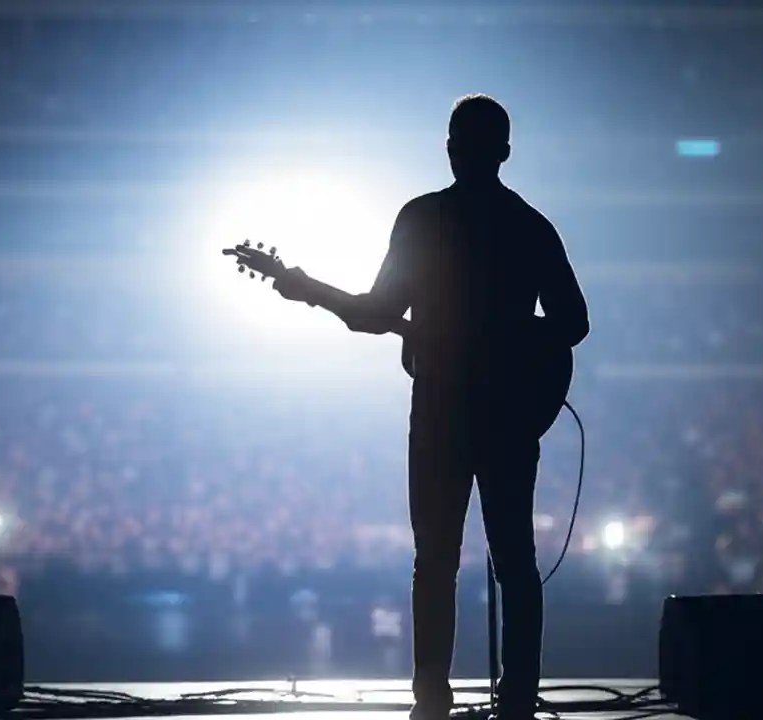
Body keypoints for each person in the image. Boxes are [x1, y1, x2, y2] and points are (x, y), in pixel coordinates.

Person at [276, 94, 589, 719]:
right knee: (516, 564)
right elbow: (573, 323)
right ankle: (519, 699)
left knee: (435, 561)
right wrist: (516, 346)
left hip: (442, 411)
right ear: (504, 151)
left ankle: (432, 701)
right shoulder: (532, 226)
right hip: (507, 416)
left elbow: (373, 314)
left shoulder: (422, 219)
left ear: (451, 148)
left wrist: (308, 291)